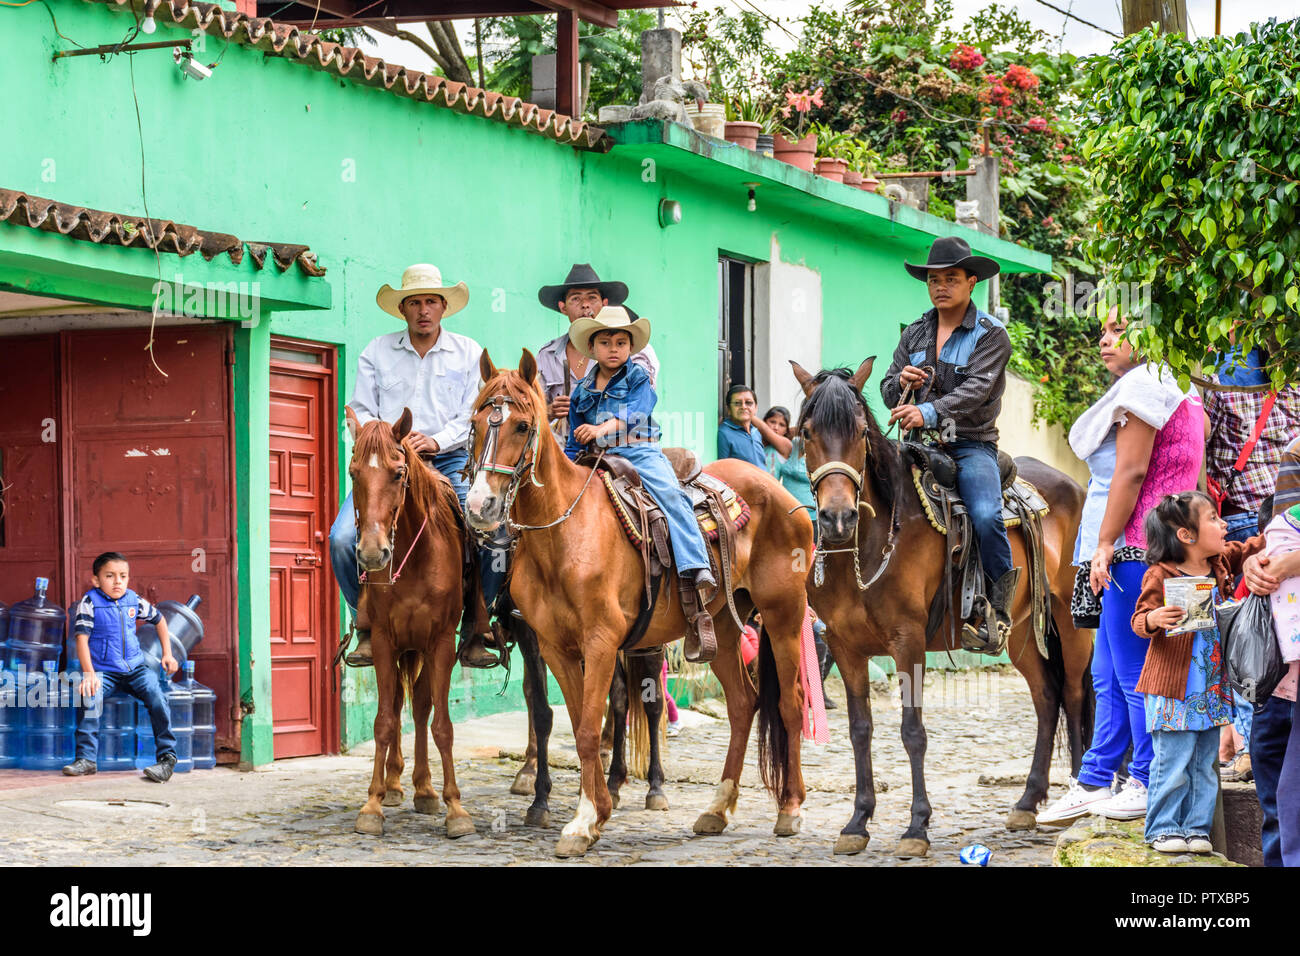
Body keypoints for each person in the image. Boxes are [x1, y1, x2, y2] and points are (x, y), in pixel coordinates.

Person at [1039, 307, 1203, 826]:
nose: (1105, 341)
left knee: (1138, 673)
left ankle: (1146, 778)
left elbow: (1131, 473)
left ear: (1152, 335)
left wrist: (1105, 543)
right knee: (1108, 672)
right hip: (1165, 546)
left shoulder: (1146, 388)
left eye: (1118, 330)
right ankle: (1094, 777)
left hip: (1140, 548)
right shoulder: (1176, 384)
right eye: (1102, 332)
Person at [327, 263, 499, 668]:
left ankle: (478, 626)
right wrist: (390, 439)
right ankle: (365, 624)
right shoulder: (377, 351)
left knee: (493, 534)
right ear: (403, 310)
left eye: (431, 302)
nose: (424, 310)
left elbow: (473, 412)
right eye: (415, 303)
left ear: (443, 308)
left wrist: (437, 438)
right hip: (386, 466)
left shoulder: (468, 352)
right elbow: (363, 408)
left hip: (450, 459)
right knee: (339, 539)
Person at [880, 235, 1016, 653]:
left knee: (985, 514)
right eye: (934, 279)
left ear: (971, 281)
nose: (941, 286)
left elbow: (976, 390)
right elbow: (887, 390)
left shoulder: (992, 335)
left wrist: (929, 412)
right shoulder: (915, 332)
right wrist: (900, 383)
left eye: (951, 279)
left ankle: (997, 609)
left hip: (970, 445)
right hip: (916, 446)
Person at [563, 306, 717, 661]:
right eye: (605, 342)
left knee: (671, 496)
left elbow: (638, 411)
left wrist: (602, 428)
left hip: (639, 452)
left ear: (630, 347)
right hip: (595, 459)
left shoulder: (637, 378)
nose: (613, 348)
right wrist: (568, 467)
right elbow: (573, 439)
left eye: (621, 341)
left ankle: (695, 566)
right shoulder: (581, 392)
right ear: (592, 348)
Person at [1130, 491, 1262, 854]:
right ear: (1186, 535)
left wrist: (1283, 522)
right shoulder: (1161, 574)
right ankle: (1162, 828)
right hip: (1173, 690)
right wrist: (1155, 619)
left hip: (1212, 688)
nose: (1224, 526)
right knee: (1173, 763)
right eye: (1214, 520)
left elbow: (1252, 546)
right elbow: (1139, 620)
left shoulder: (1220, 562)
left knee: (1205, 765)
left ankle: (1196, 830)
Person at [1203, 347, 1300, 782]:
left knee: (1247, 640)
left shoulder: (1221, 377)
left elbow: (1203, 443)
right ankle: (1244, 743)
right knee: (1260, 640)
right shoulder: (1291, 398)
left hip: (1244, 515)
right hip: (1267, 523)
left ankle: (1241, 740)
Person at [62, 552, 179, 783]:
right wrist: (89, 674)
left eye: (123, 576)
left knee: (157, 697)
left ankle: (166, 758)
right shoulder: (89, 603)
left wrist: (167, 653)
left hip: (136, 669)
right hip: (103, 671)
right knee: (90, 697)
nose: (118, 581)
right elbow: (81, 640)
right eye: (110, 576)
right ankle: (86, 760)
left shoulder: (133, 600)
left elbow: (160, 620)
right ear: (96, 580)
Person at [1242, 438, 1300, 866]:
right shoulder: (1296, 449)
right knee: (1277, 793)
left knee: (1291, 792)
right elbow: (1276, 535)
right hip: (1276, 669)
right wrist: (1258, 562)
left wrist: (1288, 563)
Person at [536, 263, 659, 438]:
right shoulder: (546, 355)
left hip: (622, 444)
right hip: (565, 446)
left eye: (592, 298)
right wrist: (549, 411)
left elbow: (641, 399)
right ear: (563, 308)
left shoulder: (637, 349)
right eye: (576, 299)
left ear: (605, 303)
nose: (585, 305)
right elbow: (530, 409)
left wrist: (602, 426)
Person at [717, 385, 787, 467]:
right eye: (737, 403)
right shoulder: (724, 433)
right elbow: (722, 470)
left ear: (756, 408)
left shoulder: (755, 432)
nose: (743, 407)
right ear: (729, 409)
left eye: (748, 403)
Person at [762, 406, 813, 509]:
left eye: (782, 425)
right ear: (765, 421)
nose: (776, 427)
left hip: (809, 510)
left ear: (786, 430)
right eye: (772, 422)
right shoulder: (753, 439)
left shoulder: (783, 448)